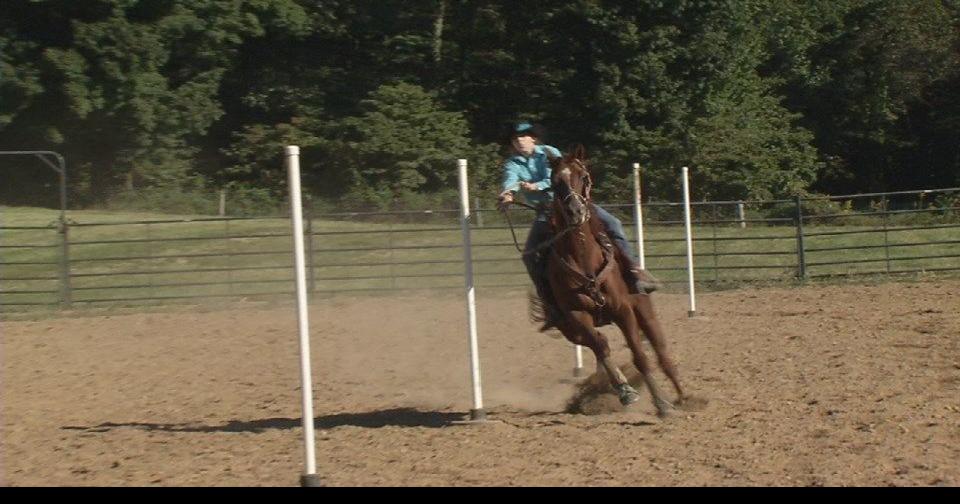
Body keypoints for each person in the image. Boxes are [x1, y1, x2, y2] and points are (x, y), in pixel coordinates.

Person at [497, 122, 661, 331]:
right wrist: (507, 193)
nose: (519, 141)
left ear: (533, 138)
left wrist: (537, 186)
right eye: (515, 138)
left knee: (614, 224)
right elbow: (510, 181)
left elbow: (560, 176)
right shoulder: (513, 163)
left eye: (523, 136)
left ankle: (634, 273)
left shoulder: (550, 153)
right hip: (547, 212)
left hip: (573, 204)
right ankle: (551, 303)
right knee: (529, 255)